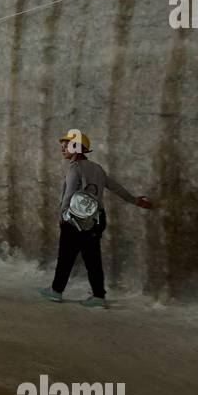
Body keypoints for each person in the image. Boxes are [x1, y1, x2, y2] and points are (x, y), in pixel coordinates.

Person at [39, 129, 153, 308]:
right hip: (97, 219)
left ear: (77, 148)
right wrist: (136, 201)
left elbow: (68, 197)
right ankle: (98, 296)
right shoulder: (97, 168)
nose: (62, 148)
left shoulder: (74, 168)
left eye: (66, 145)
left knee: (66, 257)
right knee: (93, 258)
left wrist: (62, 216)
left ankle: (56, 291)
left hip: (75, 220)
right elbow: (116, 187)